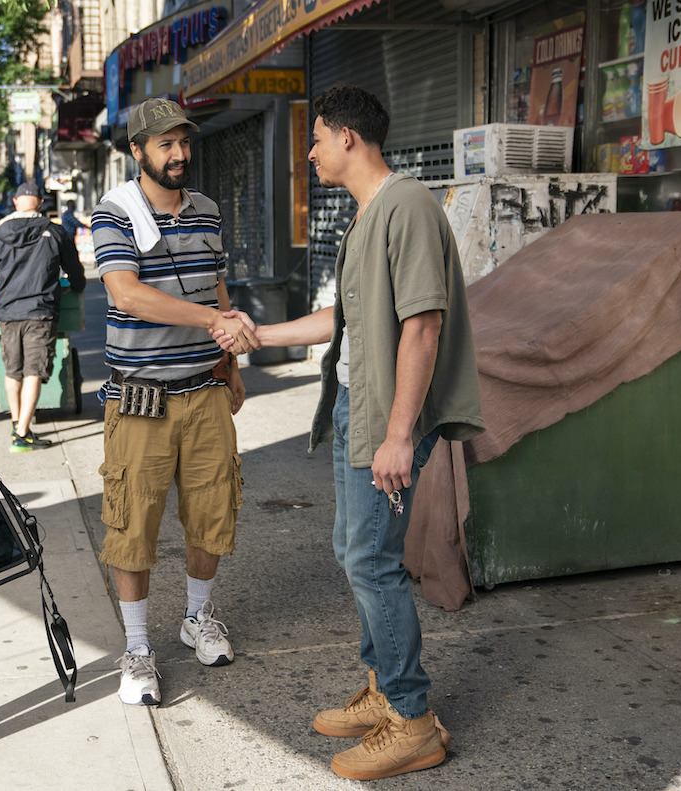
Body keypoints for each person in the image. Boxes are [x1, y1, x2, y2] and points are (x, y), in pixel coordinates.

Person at [213, 84, 484, 780]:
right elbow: (344, 321)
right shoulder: (367, 216)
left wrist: (399, 435)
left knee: (371, 559)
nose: (309, 152)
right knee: (353, 548)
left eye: (316, 138)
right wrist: (260, 334)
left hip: (389, 419)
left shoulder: (409, 207)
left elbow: (423, 324)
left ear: (347, 139)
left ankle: (413, 719)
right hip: (357, 408)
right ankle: (383, 688)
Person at [90, 96, 261, 707]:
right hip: (141, 397)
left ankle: (197, 616)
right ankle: (137, 649)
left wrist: (229, 363)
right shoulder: (112, 213)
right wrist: (217, 324)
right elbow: (127, 294)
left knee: (214, 512)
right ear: (137, 151)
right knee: (132, 521)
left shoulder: (208, 211)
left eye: (184, 141)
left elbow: (217, 283)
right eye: (164, 143)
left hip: (206, 389)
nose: (179, 152)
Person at [0, 181, 87, 451]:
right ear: (40, 202)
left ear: (15, 202)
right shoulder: (55, 232)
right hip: (40, 312)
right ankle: (22, 434)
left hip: (9, 313)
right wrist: (76, 287)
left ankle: (17, 424)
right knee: (34, 370)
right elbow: (75, 272)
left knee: (13, 370)